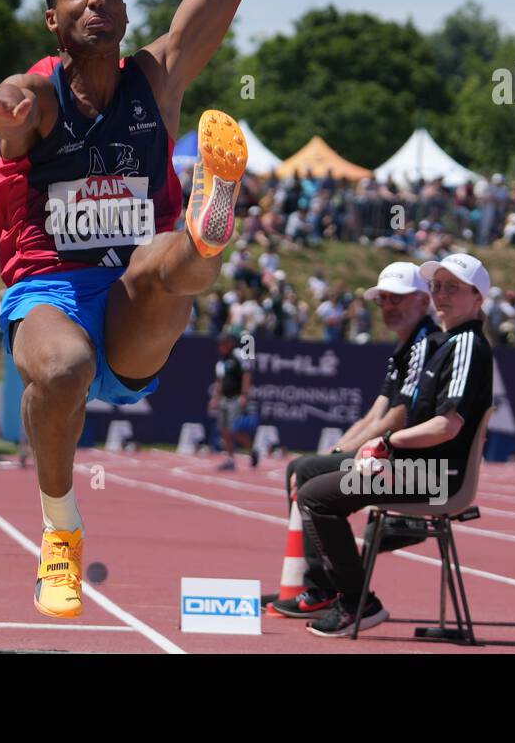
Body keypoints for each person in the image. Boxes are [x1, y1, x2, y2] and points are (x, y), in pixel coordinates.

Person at [0, 0, 254, 618]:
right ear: (54, 19)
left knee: (170, 263)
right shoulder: (40, 90)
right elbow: (17, 108)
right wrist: (3, 119)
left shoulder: (159, 75)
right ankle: (60, 531)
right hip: (50, 294)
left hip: (131, 295)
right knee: (64, 369)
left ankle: (211, 219)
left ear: (122, 8)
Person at [297, 252, 494, 636]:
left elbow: (446, 425)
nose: (441, 295)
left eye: (453, 287)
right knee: (312, 479)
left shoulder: (467, 343)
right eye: (437, 286)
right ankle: (343, 592)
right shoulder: (446, 341)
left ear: (478, 298)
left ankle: (357, 602)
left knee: (316, 497)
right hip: (411, 469)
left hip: (433, 477)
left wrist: (386, 442)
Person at [272, 262, 437, 618]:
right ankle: (317, 586)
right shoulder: (405, 348)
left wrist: (343, 454)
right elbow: (373, 416)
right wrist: (337, 451)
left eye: (398, 299)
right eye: (384, 300)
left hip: (409, 467)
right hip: (392, 458)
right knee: (304, 467)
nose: (389, 306)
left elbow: (399, 417)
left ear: (423, 302)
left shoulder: (425, 342)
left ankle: (326, 589)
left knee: (308, 476)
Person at [209, 332, 254, 470]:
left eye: (223, 343)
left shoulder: (239, 354)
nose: (220, 346)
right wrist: (215, 399)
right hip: (224, 399)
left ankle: (252, 451)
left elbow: (246, 374)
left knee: (234, 429)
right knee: (223, 430)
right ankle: (230, 459)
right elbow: (219, 382)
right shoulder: (221, 361)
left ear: (229, 343)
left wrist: (245, 395)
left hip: (236, 398)